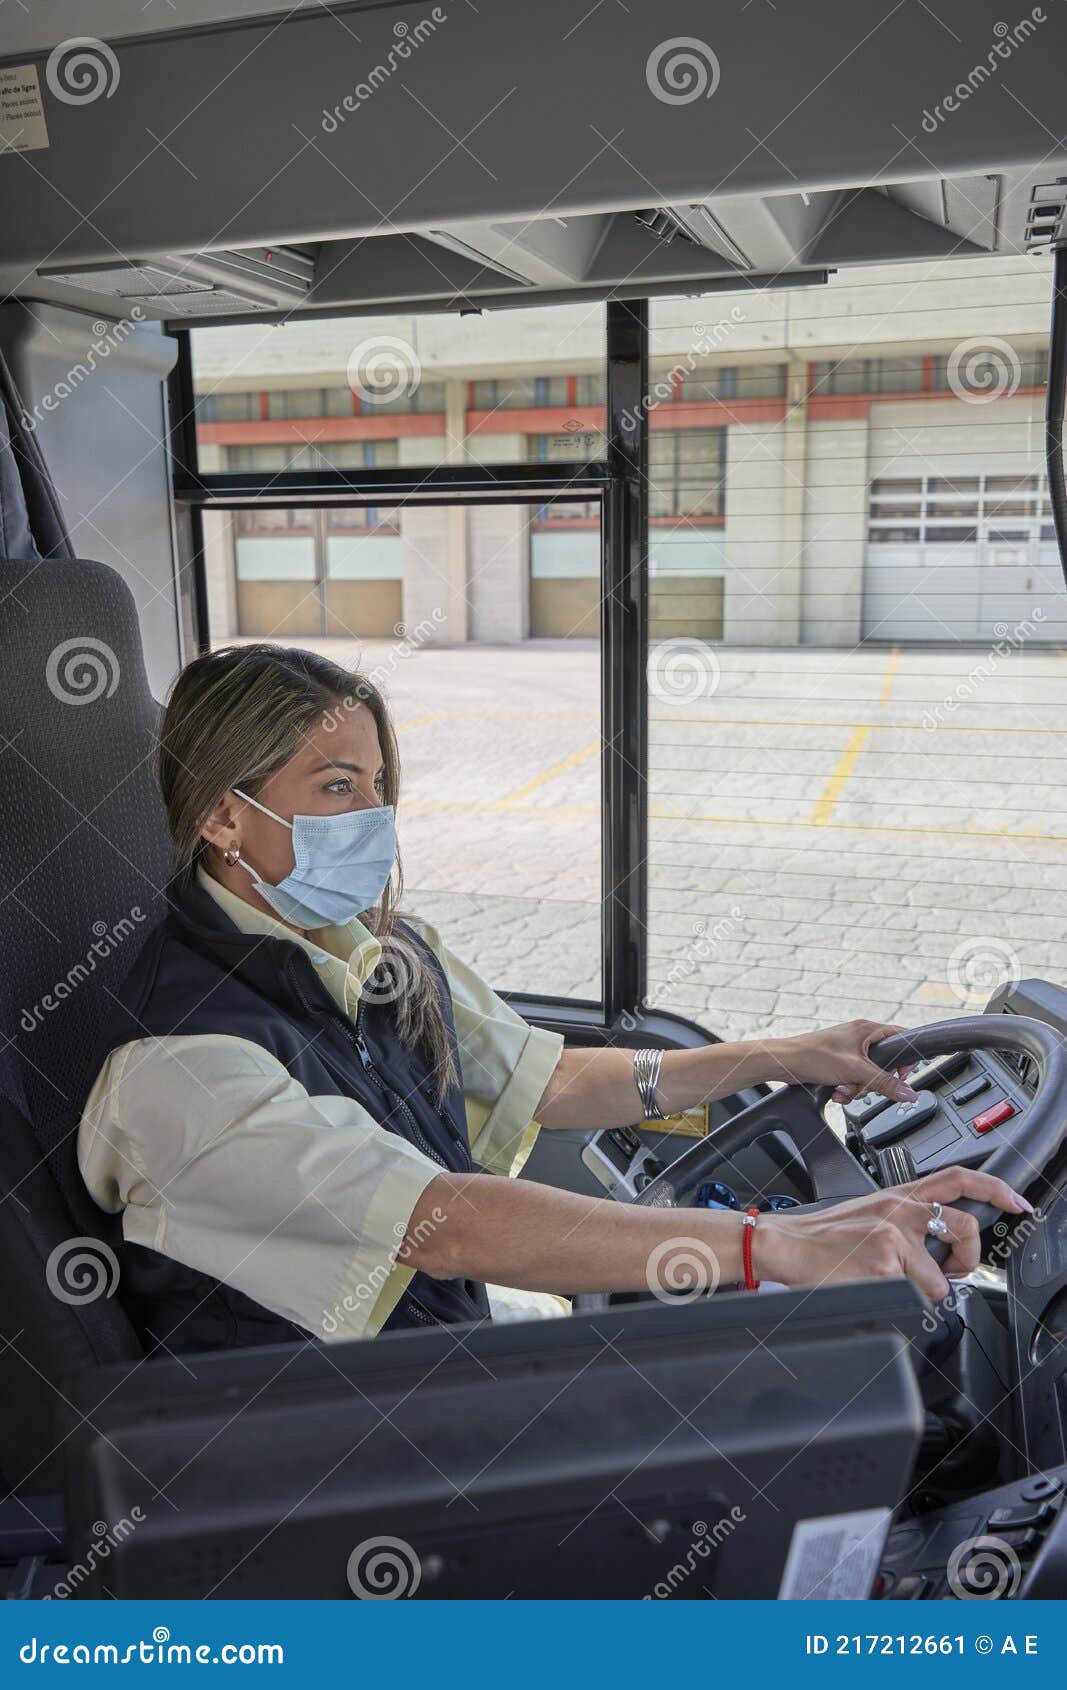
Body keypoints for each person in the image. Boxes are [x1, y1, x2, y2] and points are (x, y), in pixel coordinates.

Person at [78, 644, 1031, 1352]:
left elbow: (550, 1081)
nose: (374, 818)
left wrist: (783, 1055)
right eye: (336, 788)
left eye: (378, 785)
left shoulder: (381, 950)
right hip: (316, 1432)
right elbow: (445, 1222)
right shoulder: (177, 1063)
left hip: (435, 1343)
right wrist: (774, 1244)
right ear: (222, 816)